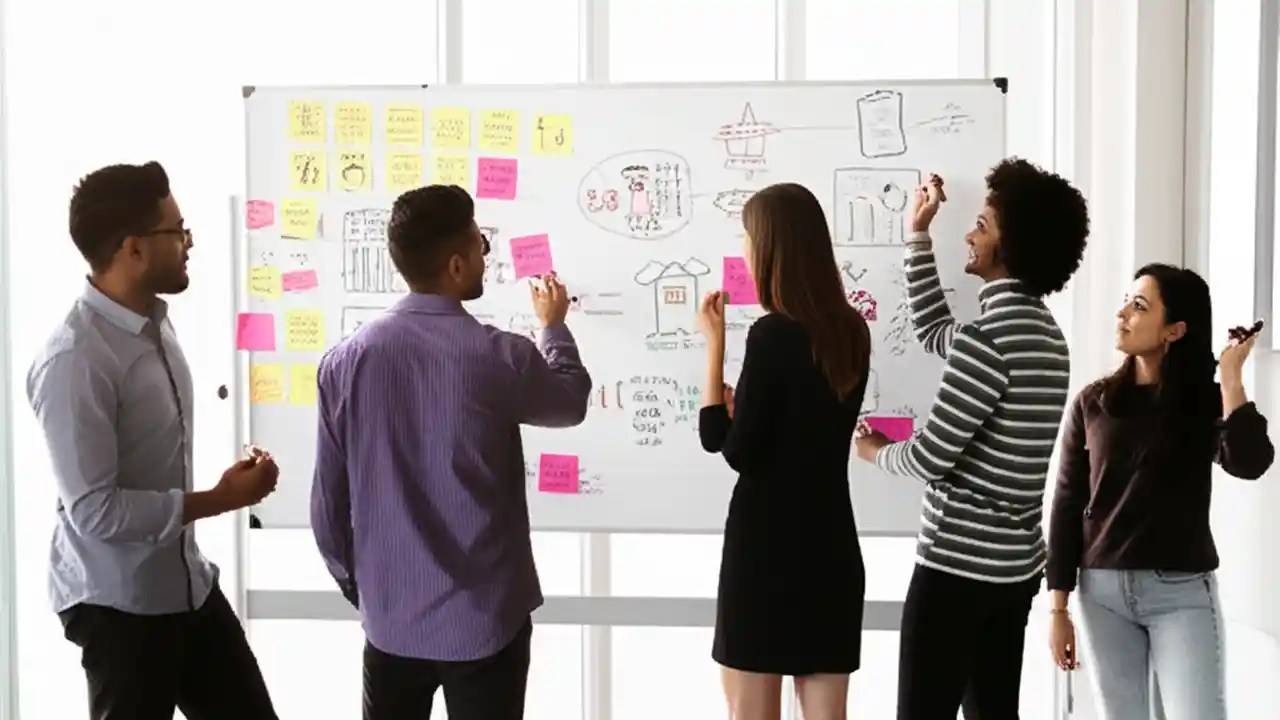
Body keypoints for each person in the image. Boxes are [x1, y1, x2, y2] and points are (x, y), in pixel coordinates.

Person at [311, 184, 593, 720]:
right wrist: (554, 327)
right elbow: (569, 402)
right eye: (480, 242)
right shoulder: (499, 356)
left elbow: (328, 502)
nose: (487, 252)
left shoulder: (343, 363)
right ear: (457, 265)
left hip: (390, 621)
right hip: (484, 621)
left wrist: (362, 586)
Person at [26, 161, 280, 720]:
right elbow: (94, 510)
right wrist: (221, 499)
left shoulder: (153, 322)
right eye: (177, 231)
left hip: (184, 583)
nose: (189, 244)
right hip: (120, 603)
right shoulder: (76, 360)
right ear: (133, 249)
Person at [853, 160, 1090, 719]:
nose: (969, 231)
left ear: (1012, 245)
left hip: (955, 570)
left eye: (981, 224)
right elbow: (937, 333)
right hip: (1012, 572)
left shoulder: (987, 341)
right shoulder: (1047, 339)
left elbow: (933, 455)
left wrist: (872, 451)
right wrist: (919, 233)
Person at [1046, 264, 1273, 719]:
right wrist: (1058, 607)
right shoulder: (1094, 402)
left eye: (1140, 305)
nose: (1122, 313)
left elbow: (1250, 462)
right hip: (1102, 592)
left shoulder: (1205, 403)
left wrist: (1231, 377)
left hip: (1181, 593)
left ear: (1175, 330)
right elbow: (1068, 501)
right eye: (1127, 301)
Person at [697, 182, 873, 720]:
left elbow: (730, 448)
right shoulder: (852, 331)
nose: (746, 253)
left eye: (749, 239)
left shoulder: (771, 335)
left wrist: (715, 348)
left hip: (764, 555)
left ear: (773, 248)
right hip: (830, 548)